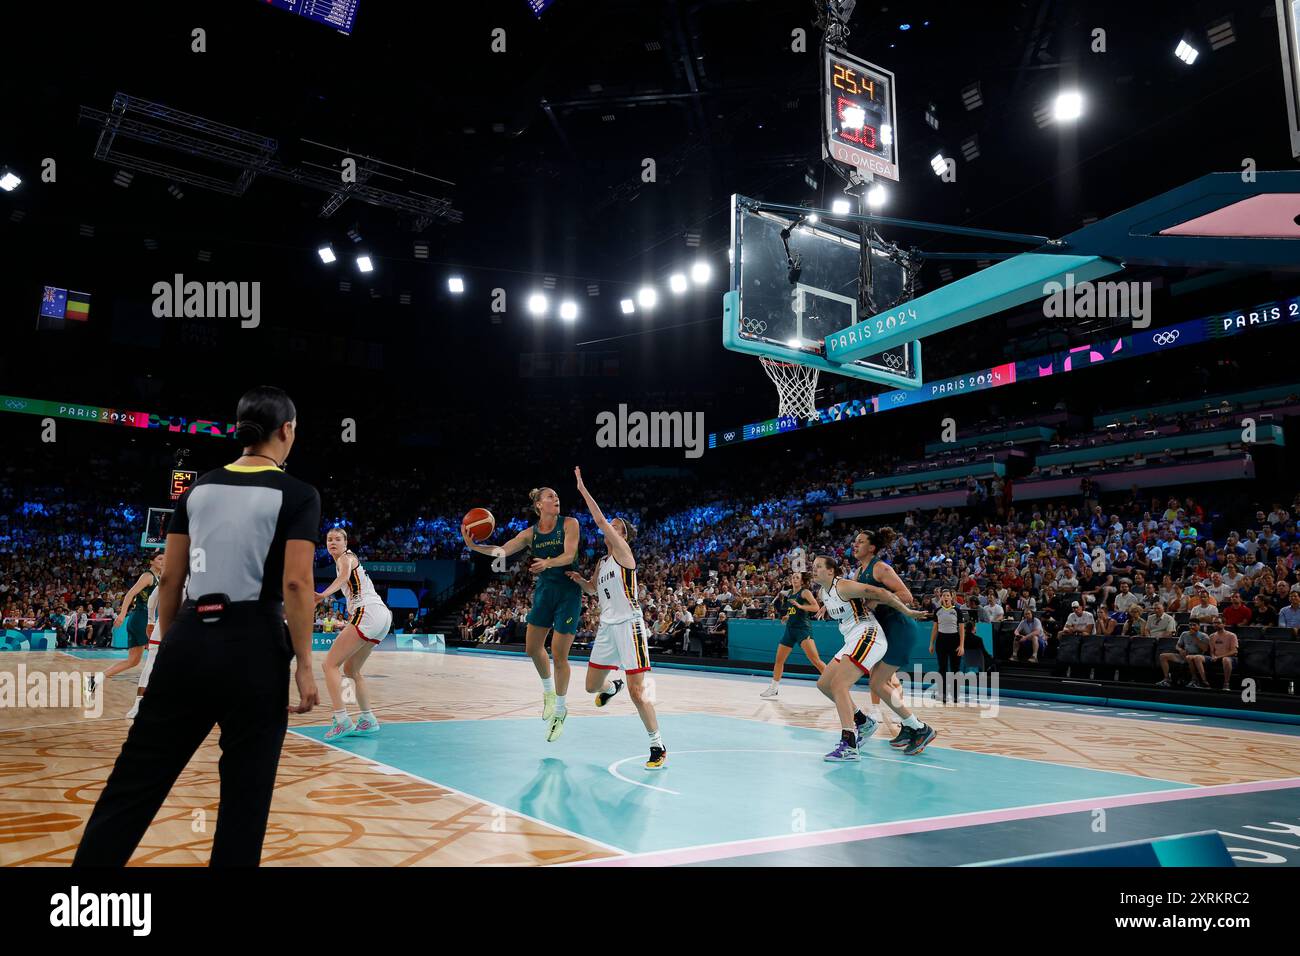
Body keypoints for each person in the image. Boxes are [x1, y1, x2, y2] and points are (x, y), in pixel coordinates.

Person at [74, 386, 320, 867]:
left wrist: (173, 644)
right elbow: (295, 583)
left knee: (133, 786)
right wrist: (305, 665)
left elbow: (170, 579)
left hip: (188, 637)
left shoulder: (199, 487)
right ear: (287, 431)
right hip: (255, 647)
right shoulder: (298, 494)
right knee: (244, 802)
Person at [463, 486, 581, 741]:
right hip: (545, 592)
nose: (556, 498)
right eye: (550, 496)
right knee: (531, 648)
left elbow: (570, 554)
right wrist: (474, 545)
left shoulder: (570, 523)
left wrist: (547, 562)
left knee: (560, 654)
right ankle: (549, 693)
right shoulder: (530, 533)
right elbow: (502, 551)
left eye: (556, 496)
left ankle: (560, 710)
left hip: (569, 593)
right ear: (539, 505)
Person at [565, 467, 665, 769]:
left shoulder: (623, 552)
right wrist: (582, 581)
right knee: (591, 687)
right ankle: (611, 687)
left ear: (621, 534)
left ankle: (657, 744)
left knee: (638, 691)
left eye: (615, 525)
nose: (609, 525)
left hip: (630, 625)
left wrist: (582, 488)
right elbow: (595, 590)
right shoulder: (603, 561)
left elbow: (596, 519)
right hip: (607, 628)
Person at [810, 554, 931, 761]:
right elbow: (836, 604)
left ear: (831, 571)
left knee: (840, 685)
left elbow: (881, 592)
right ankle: (863, 722)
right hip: (852, 639)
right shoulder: (823, 592)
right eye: (813, 566)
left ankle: (849, 745)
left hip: (868, 634)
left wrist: (907, 611)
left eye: (819, 566)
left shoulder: (844, 585)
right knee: (824, 684)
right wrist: (824, 607)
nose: (814, 570)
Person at [852, 529, 939, 754]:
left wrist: (876, 601)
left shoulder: (880, 568)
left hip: (900, 629)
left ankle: (920, 728)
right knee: (879, 682)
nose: (855, 545)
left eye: (860, 542)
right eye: (855, 542)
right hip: (885, 632)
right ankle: (910, 726)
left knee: (877, 683)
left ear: (871, 548)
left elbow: (906, 596)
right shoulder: (859, 571)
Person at [314, 528, 393, 741]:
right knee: (351, 669)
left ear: (346, 542)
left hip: (367, 611)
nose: (333, 542)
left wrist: (323, 594)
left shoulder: (345, 558)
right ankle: (368, 719)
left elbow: (343, 577)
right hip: (383, 616)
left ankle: (342, 720)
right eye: (329, 539)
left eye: (338, 539)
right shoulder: (346, 559)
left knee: (329, 665)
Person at [87, 554, 163, 701]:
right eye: (160, 558)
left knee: (133, 661)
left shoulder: (160, 577)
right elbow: (129, 595)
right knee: (157, 655)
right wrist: (122, 614)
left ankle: (95, 680)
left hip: (139, 619)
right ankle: (150, 695)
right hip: (142, 619)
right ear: (151, 561)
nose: (163, 561)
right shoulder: (148, 576)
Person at [759, 570, 825, 698]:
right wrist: (788, 616)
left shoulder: (805, 592)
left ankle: (833, 683)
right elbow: (793, 609)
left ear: (801, 581)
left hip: (803, 629)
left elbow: (816, 607)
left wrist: (801, 606)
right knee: (779, 660)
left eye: (797, 577)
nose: (794, 579)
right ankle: (774, 688)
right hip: (790, 630)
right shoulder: (790, 593)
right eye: (793, 577)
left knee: (815, 660)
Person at [126, 553, 169, 720]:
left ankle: (139, 704)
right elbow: (150, 599)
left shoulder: (167, 576)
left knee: (151, 663)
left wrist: (151, 621)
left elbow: (152, 600)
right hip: (182, 626)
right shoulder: (189, 577)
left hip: (163, 623)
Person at [929, 589, 965, 702]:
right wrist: (931, 643)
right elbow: (935, 628)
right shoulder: (937, 611)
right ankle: (943, 694)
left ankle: (955, 695)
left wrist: (961, 645)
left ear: (951, 597)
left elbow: (962, 629)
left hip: (954, 640)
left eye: (947, 595)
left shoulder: (957, 611)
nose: (945, 597)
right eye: (943, 595)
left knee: (955, 669)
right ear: (941, 597)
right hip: (941, 641)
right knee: (942, 668)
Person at [1157, 623, 1209, 688]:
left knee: (1189, 657)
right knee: (1163, 656)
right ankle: (1167, 679)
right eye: (1190, 625)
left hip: (1195, 656)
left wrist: (1194, 636)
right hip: (1184, 655)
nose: (1192, 627)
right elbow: (1177, 646)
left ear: (1199, 626)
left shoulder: (1204, 635)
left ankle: (1195, 680)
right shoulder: (1184, 634)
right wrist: (1180, 650)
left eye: (1194, 625)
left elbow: (1205, 649)